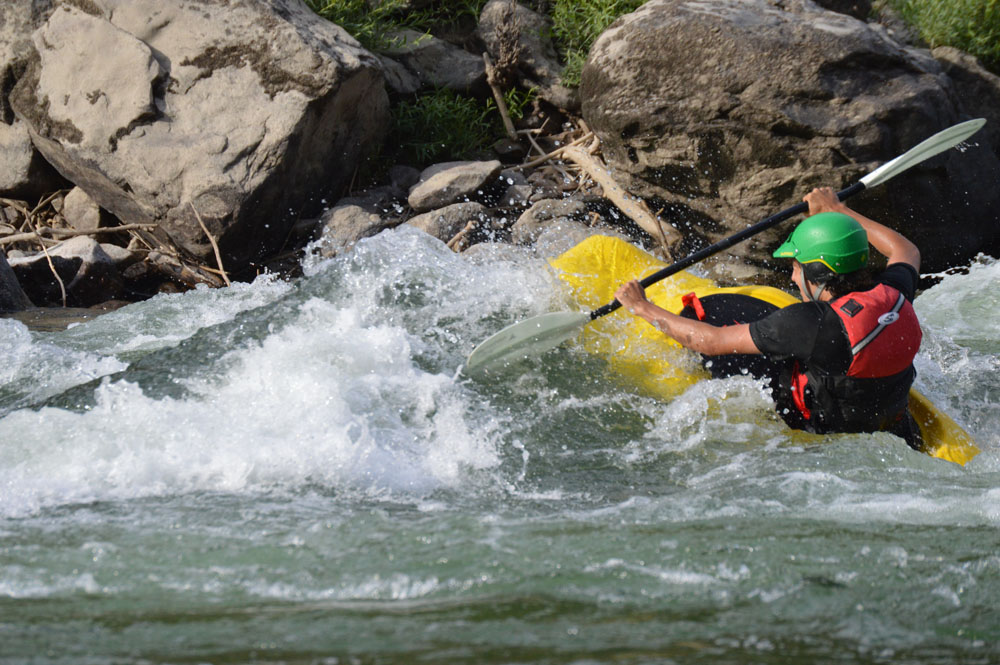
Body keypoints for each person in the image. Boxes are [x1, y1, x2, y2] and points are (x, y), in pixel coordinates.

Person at [614, 186, 925, 448]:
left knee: (717, 315)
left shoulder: (808, 324)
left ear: (818, 272)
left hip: (819, 425)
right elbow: (905, 250)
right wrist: (839, 209)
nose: (791, 277)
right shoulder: (895, 294)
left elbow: (710, 341)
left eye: (796, 266)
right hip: (888, 419)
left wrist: (642, 307)